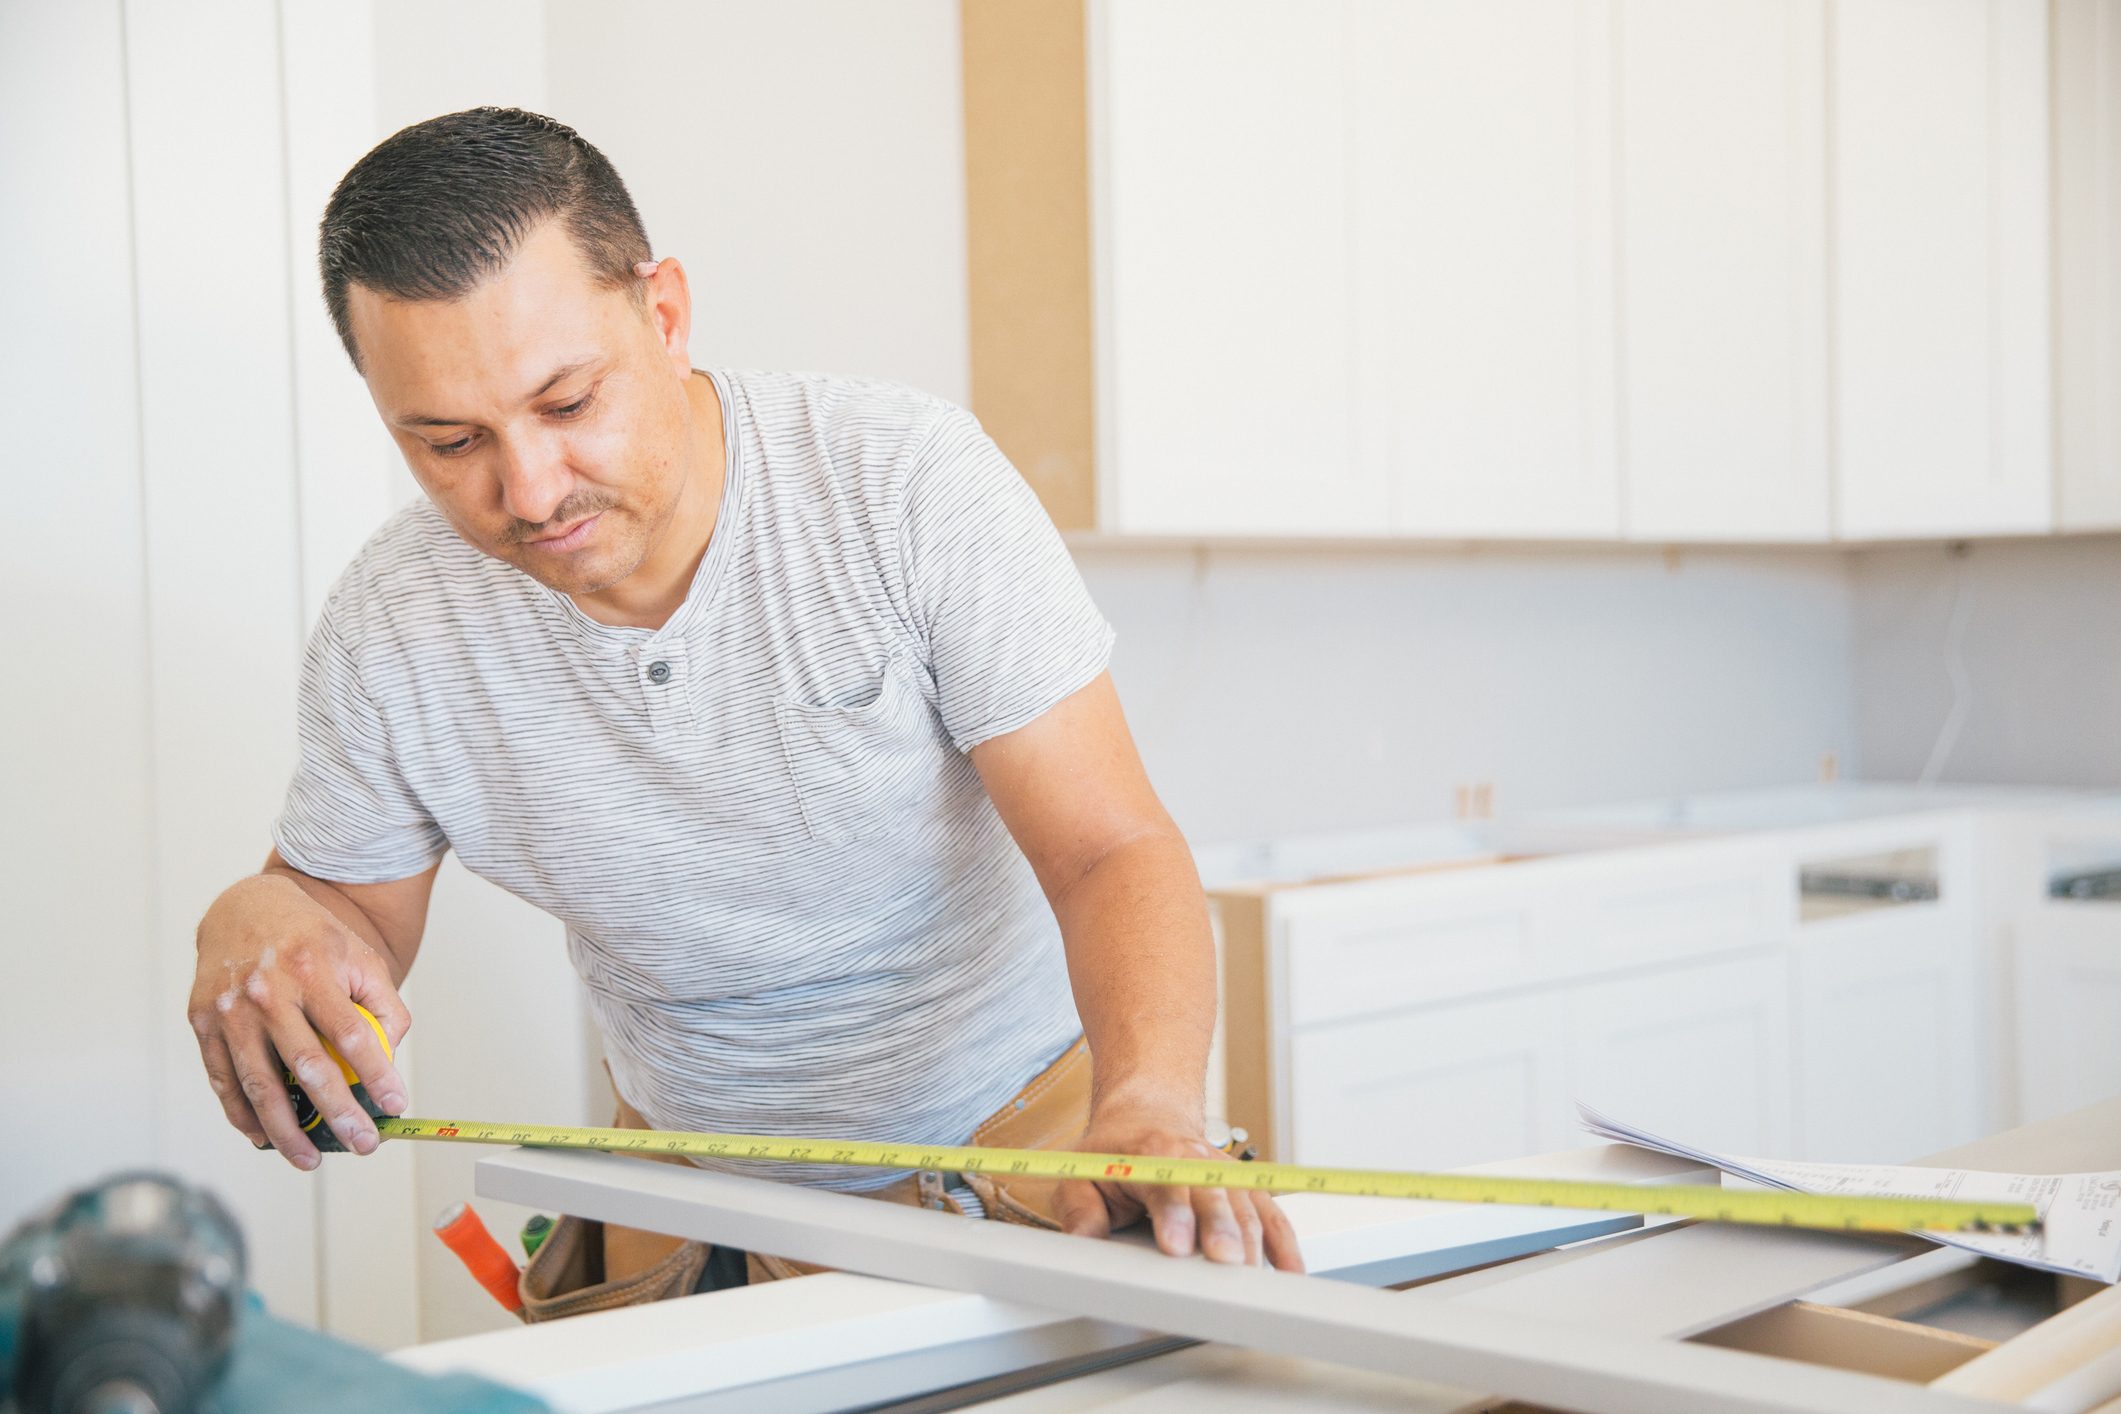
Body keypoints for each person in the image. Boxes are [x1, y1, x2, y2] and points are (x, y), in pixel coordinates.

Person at [186, 107, 1299, 1307]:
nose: (528, 487)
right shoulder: (395, 624)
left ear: (663, 313)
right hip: (689, 1197)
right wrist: (260, 909)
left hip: (1034, 1157)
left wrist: (1149, 1099)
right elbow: (344, 908)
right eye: (449, 441)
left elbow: (1108, 846)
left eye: (567, 403)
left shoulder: (905, 485)